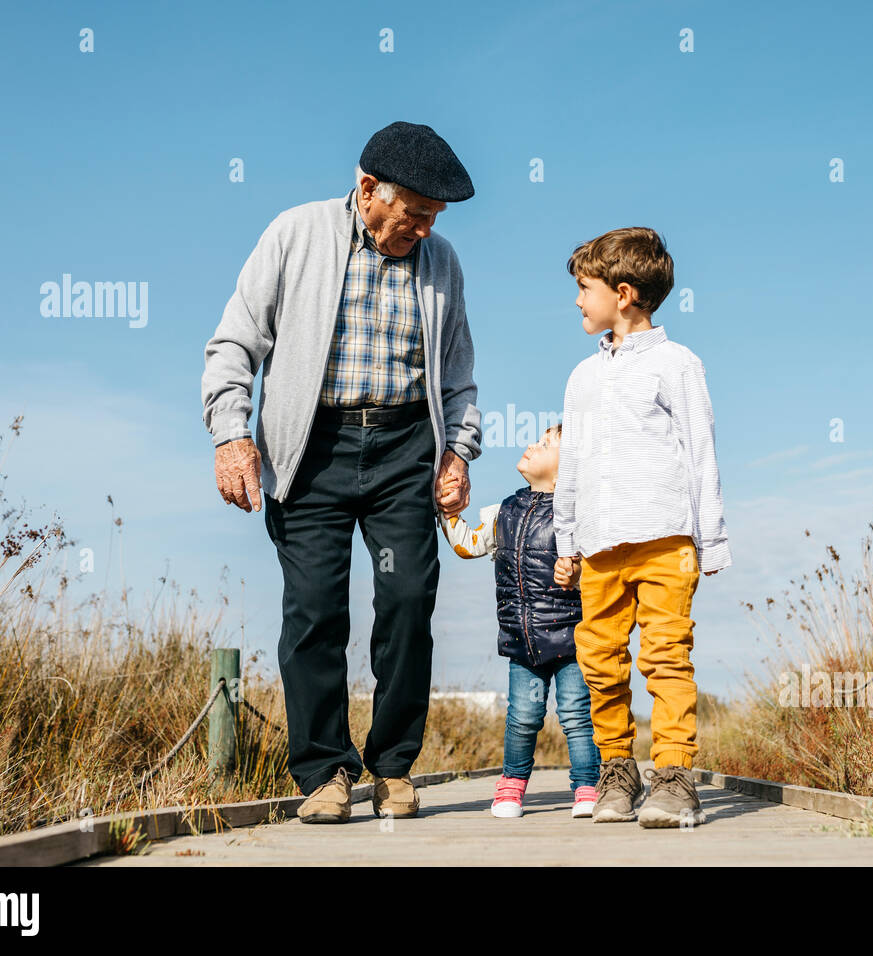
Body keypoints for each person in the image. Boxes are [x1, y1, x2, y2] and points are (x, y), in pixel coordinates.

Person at [200, 122, 483, 824]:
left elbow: (459, 377)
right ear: (367, 190)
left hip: (403, 450)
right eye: (413, 214)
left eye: (432, 218)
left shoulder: (441, 262)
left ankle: (392, 767)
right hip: (312, 451)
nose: (422, 229)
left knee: (409, 601)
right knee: (315, 612)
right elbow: (235, 342)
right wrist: (231, 434)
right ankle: (325, 771)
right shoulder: (295, 234)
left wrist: (458, 453)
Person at [553, 227, 731, 828]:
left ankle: (675, 778)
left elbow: (701, 451)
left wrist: (711, 540)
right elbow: (571, 465)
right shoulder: (582, 377)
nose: (578, 301)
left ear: (622, 293)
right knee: (600, 661)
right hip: (600, 547)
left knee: (665, 657)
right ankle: (616, 773)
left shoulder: (676, 364)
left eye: (585, 288)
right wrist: (566, 540)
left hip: (666, 539)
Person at [439, 424, 600, 818]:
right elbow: (470, 544)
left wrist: (578, 574)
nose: (532, 445)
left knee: (577, 716)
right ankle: (511, 787)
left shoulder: (578, 517)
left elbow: (599, 569)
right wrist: (448, 513)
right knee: (523, 717)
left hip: (571, 640)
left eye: (545, 445)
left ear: (567, 473)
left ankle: (586, 787)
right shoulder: (504, 511)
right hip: (521, 639)